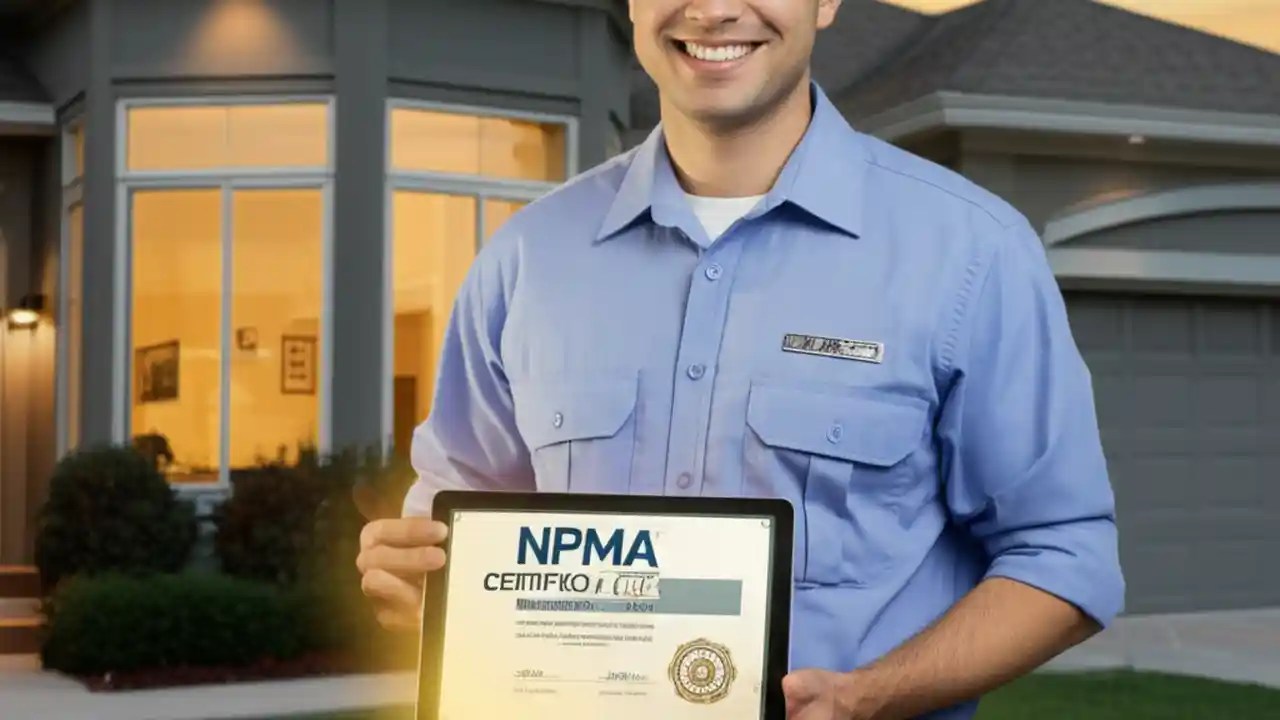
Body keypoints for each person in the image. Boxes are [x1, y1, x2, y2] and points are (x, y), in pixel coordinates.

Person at [356, 0, 1126, 717]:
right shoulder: (528, 257)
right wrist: (418, 576)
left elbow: (1064, 559)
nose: (715, 9)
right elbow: (458, 515)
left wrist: (872, 696)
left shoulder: (971, 254)